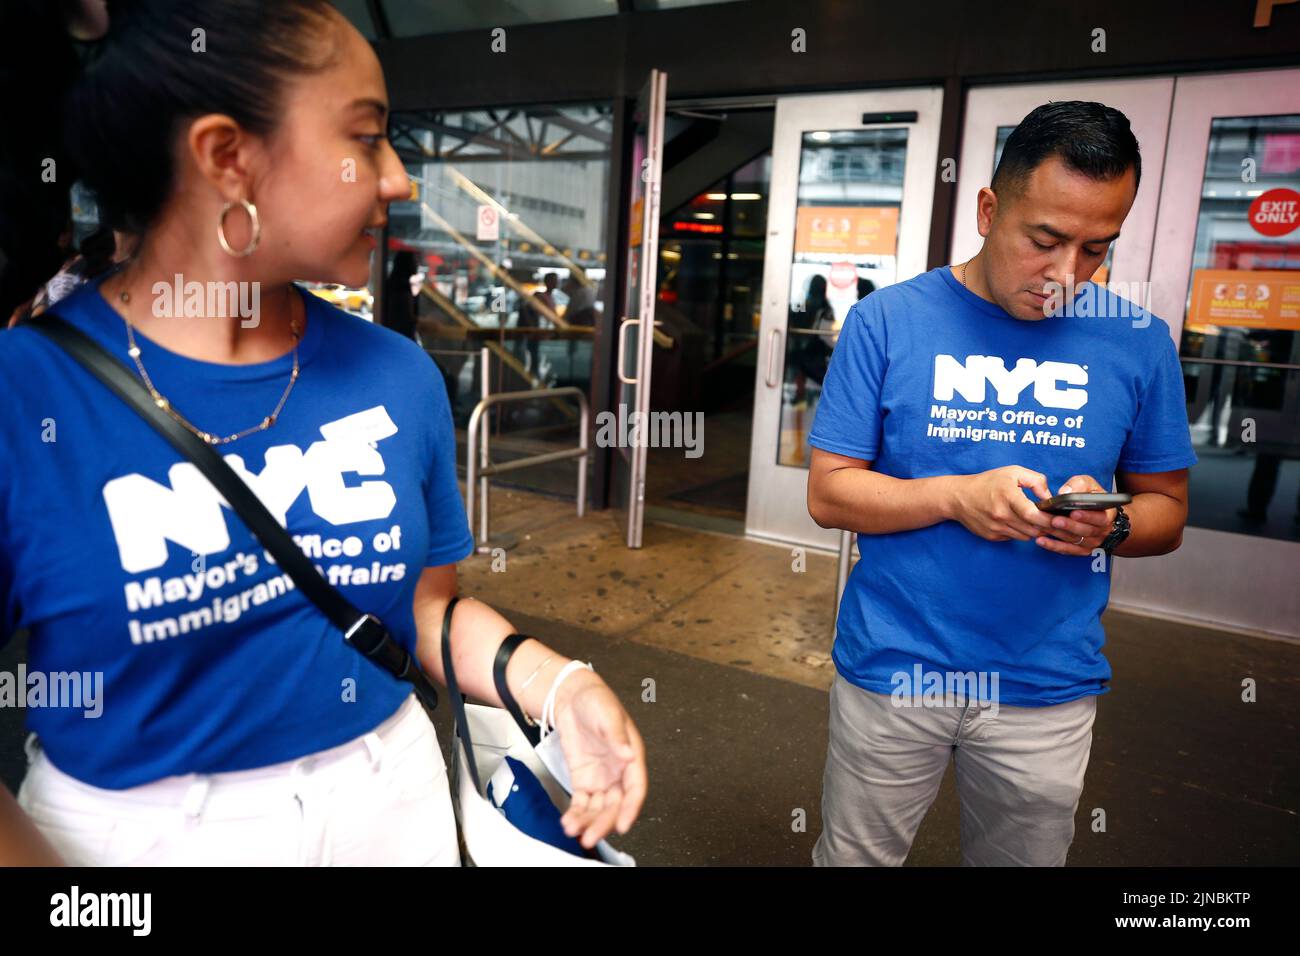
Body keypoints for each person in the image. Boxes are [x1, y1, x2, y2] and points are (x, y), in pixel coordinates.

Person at [0, 0, 645, 866]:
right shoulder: (25, 391)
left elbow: (423, 607)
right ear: (228, 157)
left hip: (395, 802)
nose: (400, 180)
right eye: (366, 138)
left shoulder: (397, 374)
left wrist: (557, 683)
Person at [807, 101, 1197, 866]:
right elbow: (830, 494)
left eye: (1096, 249)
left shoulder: (1140, 345)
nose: (1064, 275)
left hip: (1046, 684)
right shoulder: (887, 322)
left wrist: (1109, 526)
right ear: (989, 209)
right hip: (894, 669)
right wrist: (955, 496)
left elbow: (1168, 512)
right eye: (1045, 240)